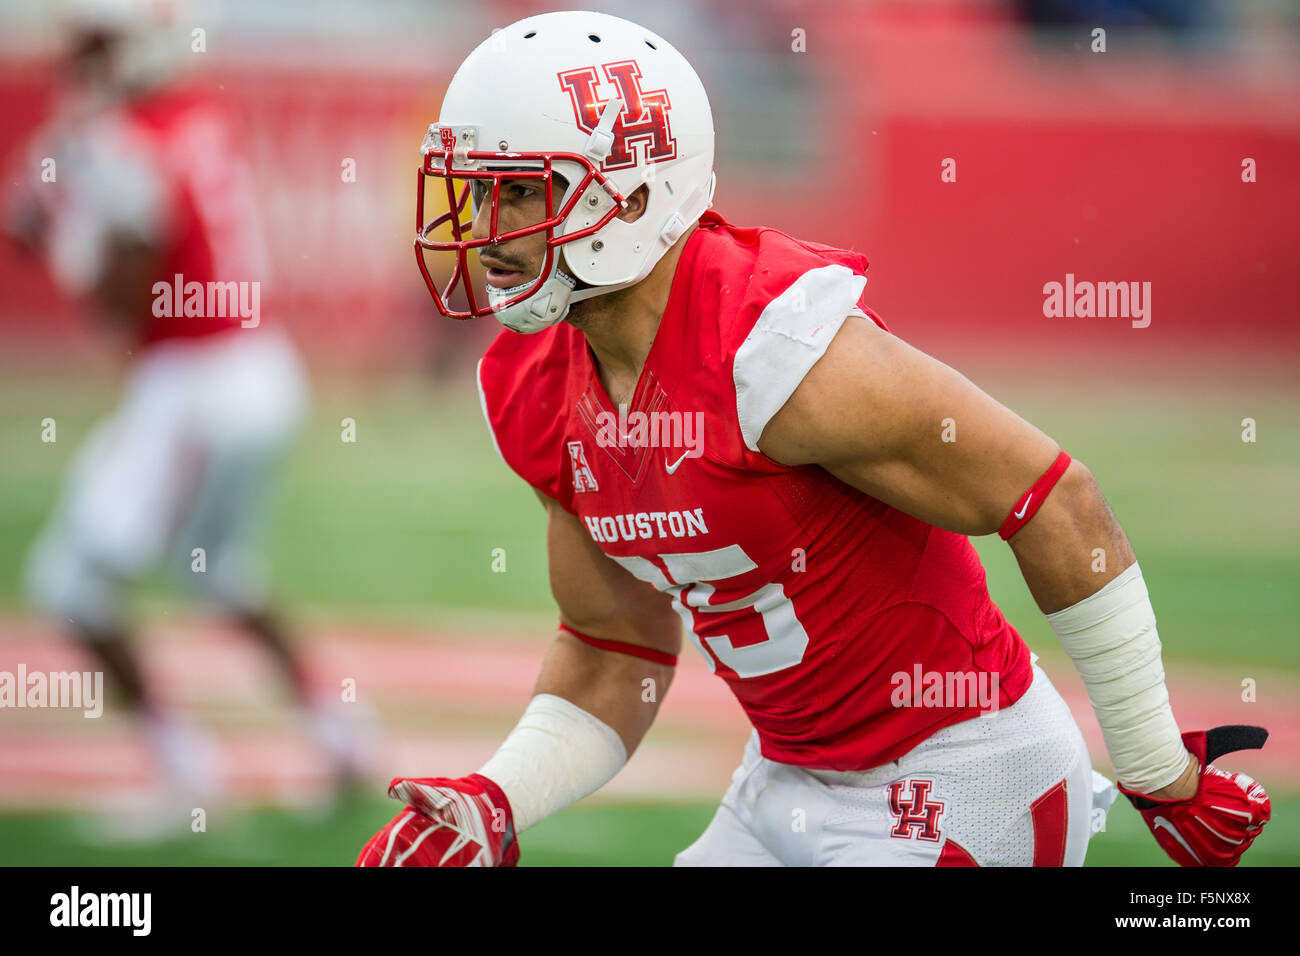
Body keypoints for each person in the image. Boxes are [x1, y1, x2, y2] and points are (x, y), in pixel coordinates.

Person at [358, 10, 1269, 867]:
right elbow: (613, 646)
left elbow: (1050, 498)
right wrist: (496, 798)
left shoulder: (770, 345)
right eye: (478, 194)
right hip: (787, 778)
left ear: (634, 196)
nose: (487, 232)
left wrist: (1158, 774)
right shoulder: (532, 383)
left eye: (521, 193)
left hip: (964, 774)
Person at [6, 0, 353, 823]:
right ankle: (344, 737)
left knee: (68, 585)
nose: (83, 61)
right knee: (218, 578)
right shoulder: (189, 113)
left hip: (192, 382)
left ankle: (183, 769)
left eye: (98, 44)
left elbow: (118, 299)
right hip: (257, 368)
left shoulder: (122, 144)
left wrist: (71, 241)